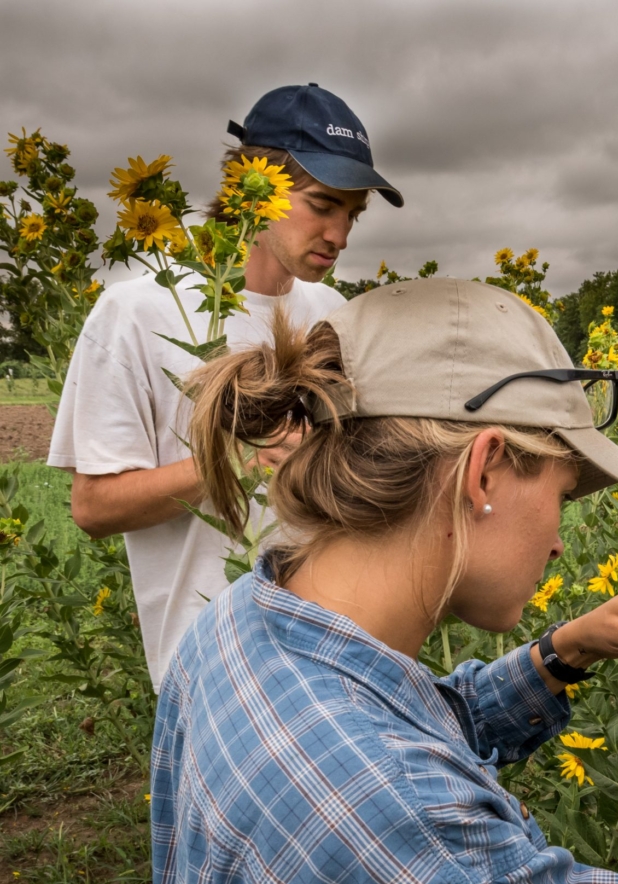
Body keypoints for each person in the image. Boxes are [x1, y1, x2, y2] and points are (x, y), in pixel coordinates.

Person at [149, 277, 618, 884]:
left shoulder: (236, 620)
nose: (560, 542)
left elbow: (405, 726)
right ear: (485, 471)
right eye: (562, 493)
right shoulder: (416, 833)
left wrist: (562, 653)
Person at [48, 83, 402, 691]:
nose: (340, 235)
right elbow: (94, 507)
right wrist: (241, 461)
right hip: (212, 664)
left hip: (333, 647)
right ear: (249, 187)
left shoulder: (334, 313)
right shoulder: (138, 311)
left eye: (353, 213)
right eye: (323, 204)